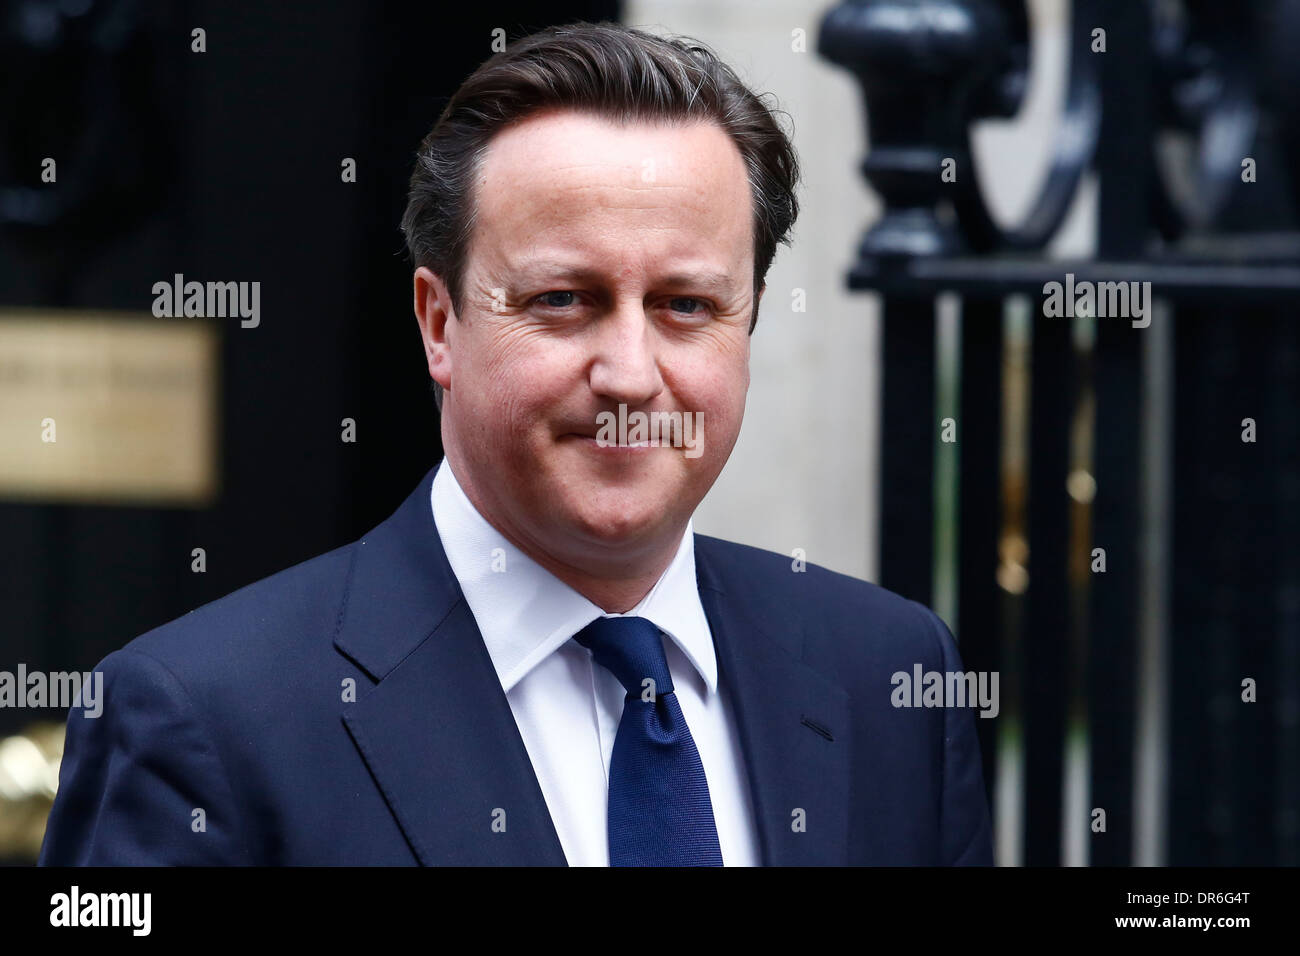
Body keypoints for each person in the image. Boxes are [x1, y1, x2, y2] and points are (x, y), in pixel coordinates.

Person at [39, 21, 992, 866]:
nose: (629, 372)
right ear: (439, 325)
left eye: (686, 305)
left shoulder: (889, 676)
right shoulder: (203, 719)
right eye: (563, 300)